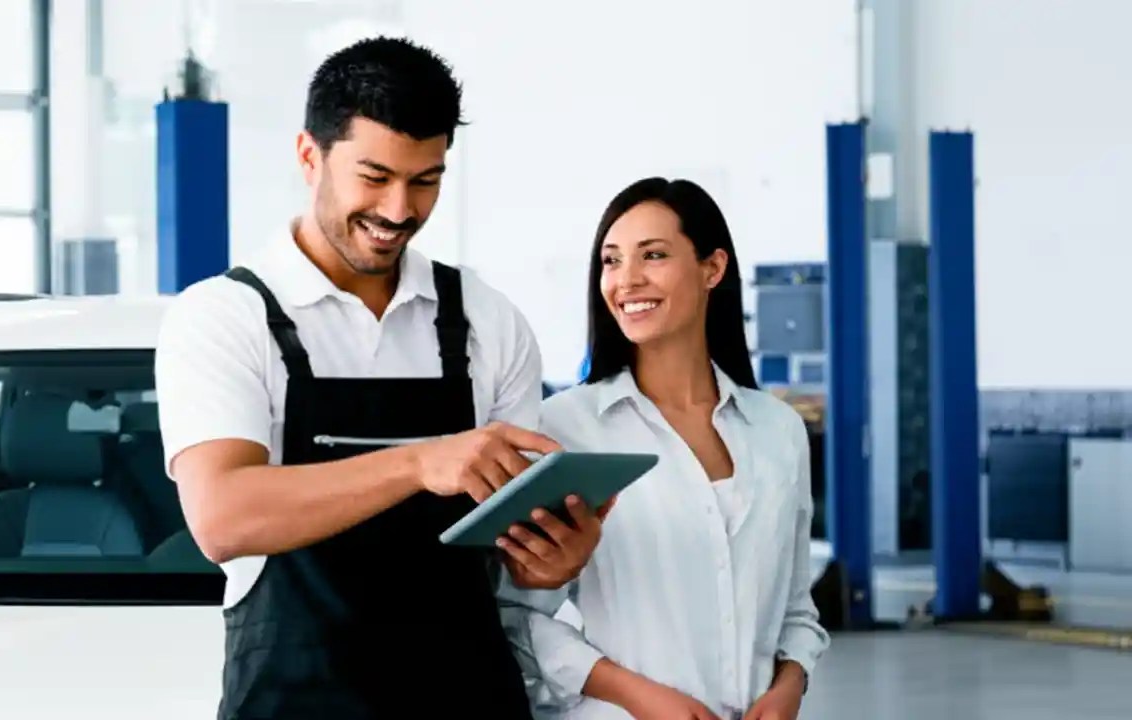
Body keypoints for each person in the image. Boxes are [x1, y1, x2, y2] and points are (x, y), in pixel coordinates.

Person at [155, 36, 608, 719]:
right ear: (310, 156)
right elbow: (224, 517)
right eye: (374, 177)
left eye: (426, 180)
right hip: (293, 701)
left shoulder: (489, 321)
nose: (399, 210)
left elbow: (515, 557)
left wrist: (551, 558)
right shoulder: (225, 317)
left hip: (465, 697)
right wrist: (420, 462)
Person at [498, 178, 830, 720]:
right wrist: (637, 695)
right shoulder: (564, 428)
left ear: (712, 268)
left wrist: (790, 682)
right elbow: (517, 617)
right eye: (611, 260)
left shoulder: (778, 431)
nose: (626, 280)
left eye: (653, 255)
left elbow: (796, 607)